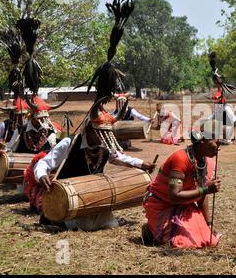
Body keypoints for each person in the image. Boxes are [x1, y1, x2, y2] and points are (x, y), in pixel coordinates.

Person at [26, 98, 157, 231]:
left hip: (94, 197)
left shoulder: (104, 144)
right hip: (67, 198)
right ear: (88, 129)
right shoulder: (69, 143)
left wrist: (141, 164)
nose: (102, 138)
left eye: (105, 134)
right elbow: (44, 163)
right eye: (99, 133)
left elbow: (120, 158)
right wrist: (41, 175)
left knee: (109, 224)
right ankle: (55, 219)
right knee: (85, 226)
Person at [143, 120, 222, 248]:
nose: (218, 145)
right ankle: (150, 231)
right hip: (162, 204)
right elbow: (174, 195)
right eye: (215, 141)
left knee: (209, 241)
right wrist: (206, 189)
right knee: (182, 243)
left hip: (185, 206)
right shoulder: (180, 159)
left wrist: (208, 224)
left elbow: (202, 198)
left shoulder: (208, 163)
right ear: (202, 141)